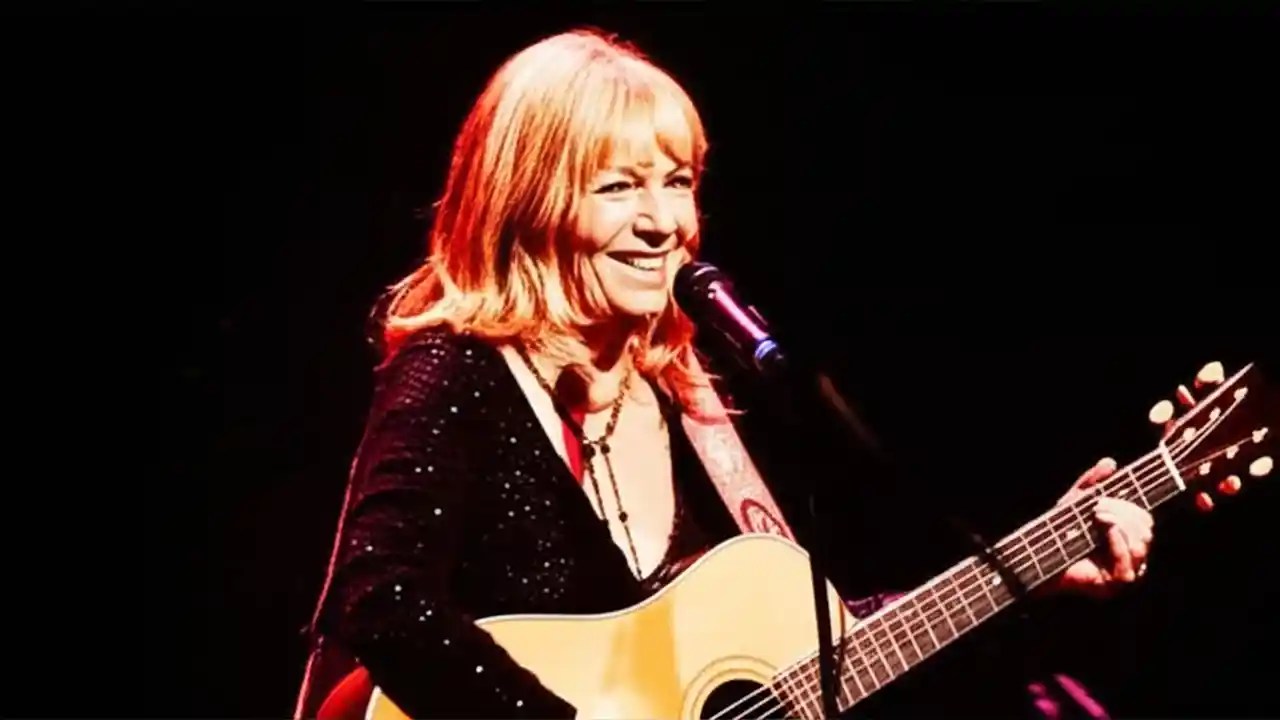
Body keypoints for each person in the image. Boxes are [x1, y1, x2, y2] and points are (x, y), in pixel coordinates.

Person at [292, 27, 1156, 720]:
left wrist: (1032, 569)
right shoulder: (458, 374)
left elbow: (816, 649)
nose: (664, 221)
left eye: (677, 182)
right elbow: (382, 602)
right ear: (528, 201)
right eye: (620, 187)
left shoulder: (686, 399)